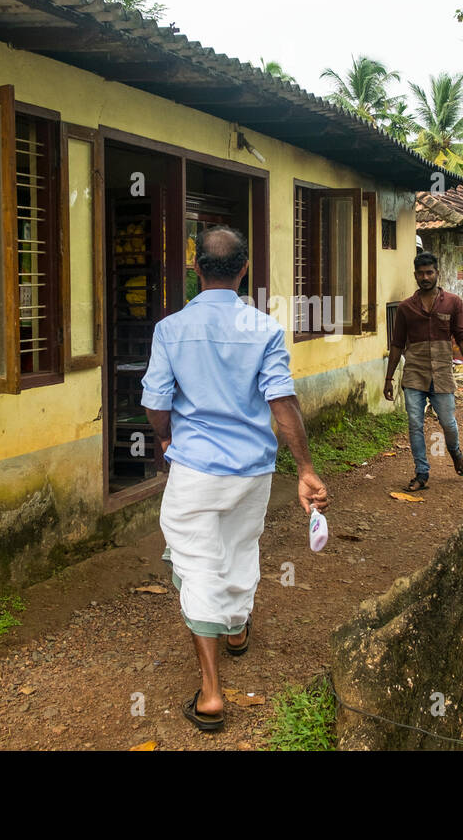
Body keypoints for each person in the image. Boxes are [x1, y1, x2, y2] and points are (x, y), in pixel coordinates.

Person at [141, 226, 328, 733]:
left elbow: (156, 402)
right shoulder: (264, 330)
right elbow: (282, 404)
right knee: (242, 547)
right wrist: (306, 468)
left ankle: (211, 694)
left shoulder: (170, 329)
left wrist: (165, 440)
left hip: (196, 470)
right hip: (253, 470)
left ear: (194, 268)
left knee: (199, 562)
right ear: (244, 270)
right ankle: (238, 628)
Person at [383, 251, 463, 492]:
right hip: (414, 373)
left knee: (447, 422)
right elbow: (396, 344)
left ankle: (455, 452)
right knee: (415, 423)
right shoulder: (406, 308)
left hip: (442, 374)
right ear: (415, 275)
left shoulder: (453, 302)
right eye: (420, 273)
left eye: (429, 272)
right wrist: (388, 377)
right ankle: (421, 473)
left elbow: (462, 335)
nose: (425, 277)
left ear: (437, 273)